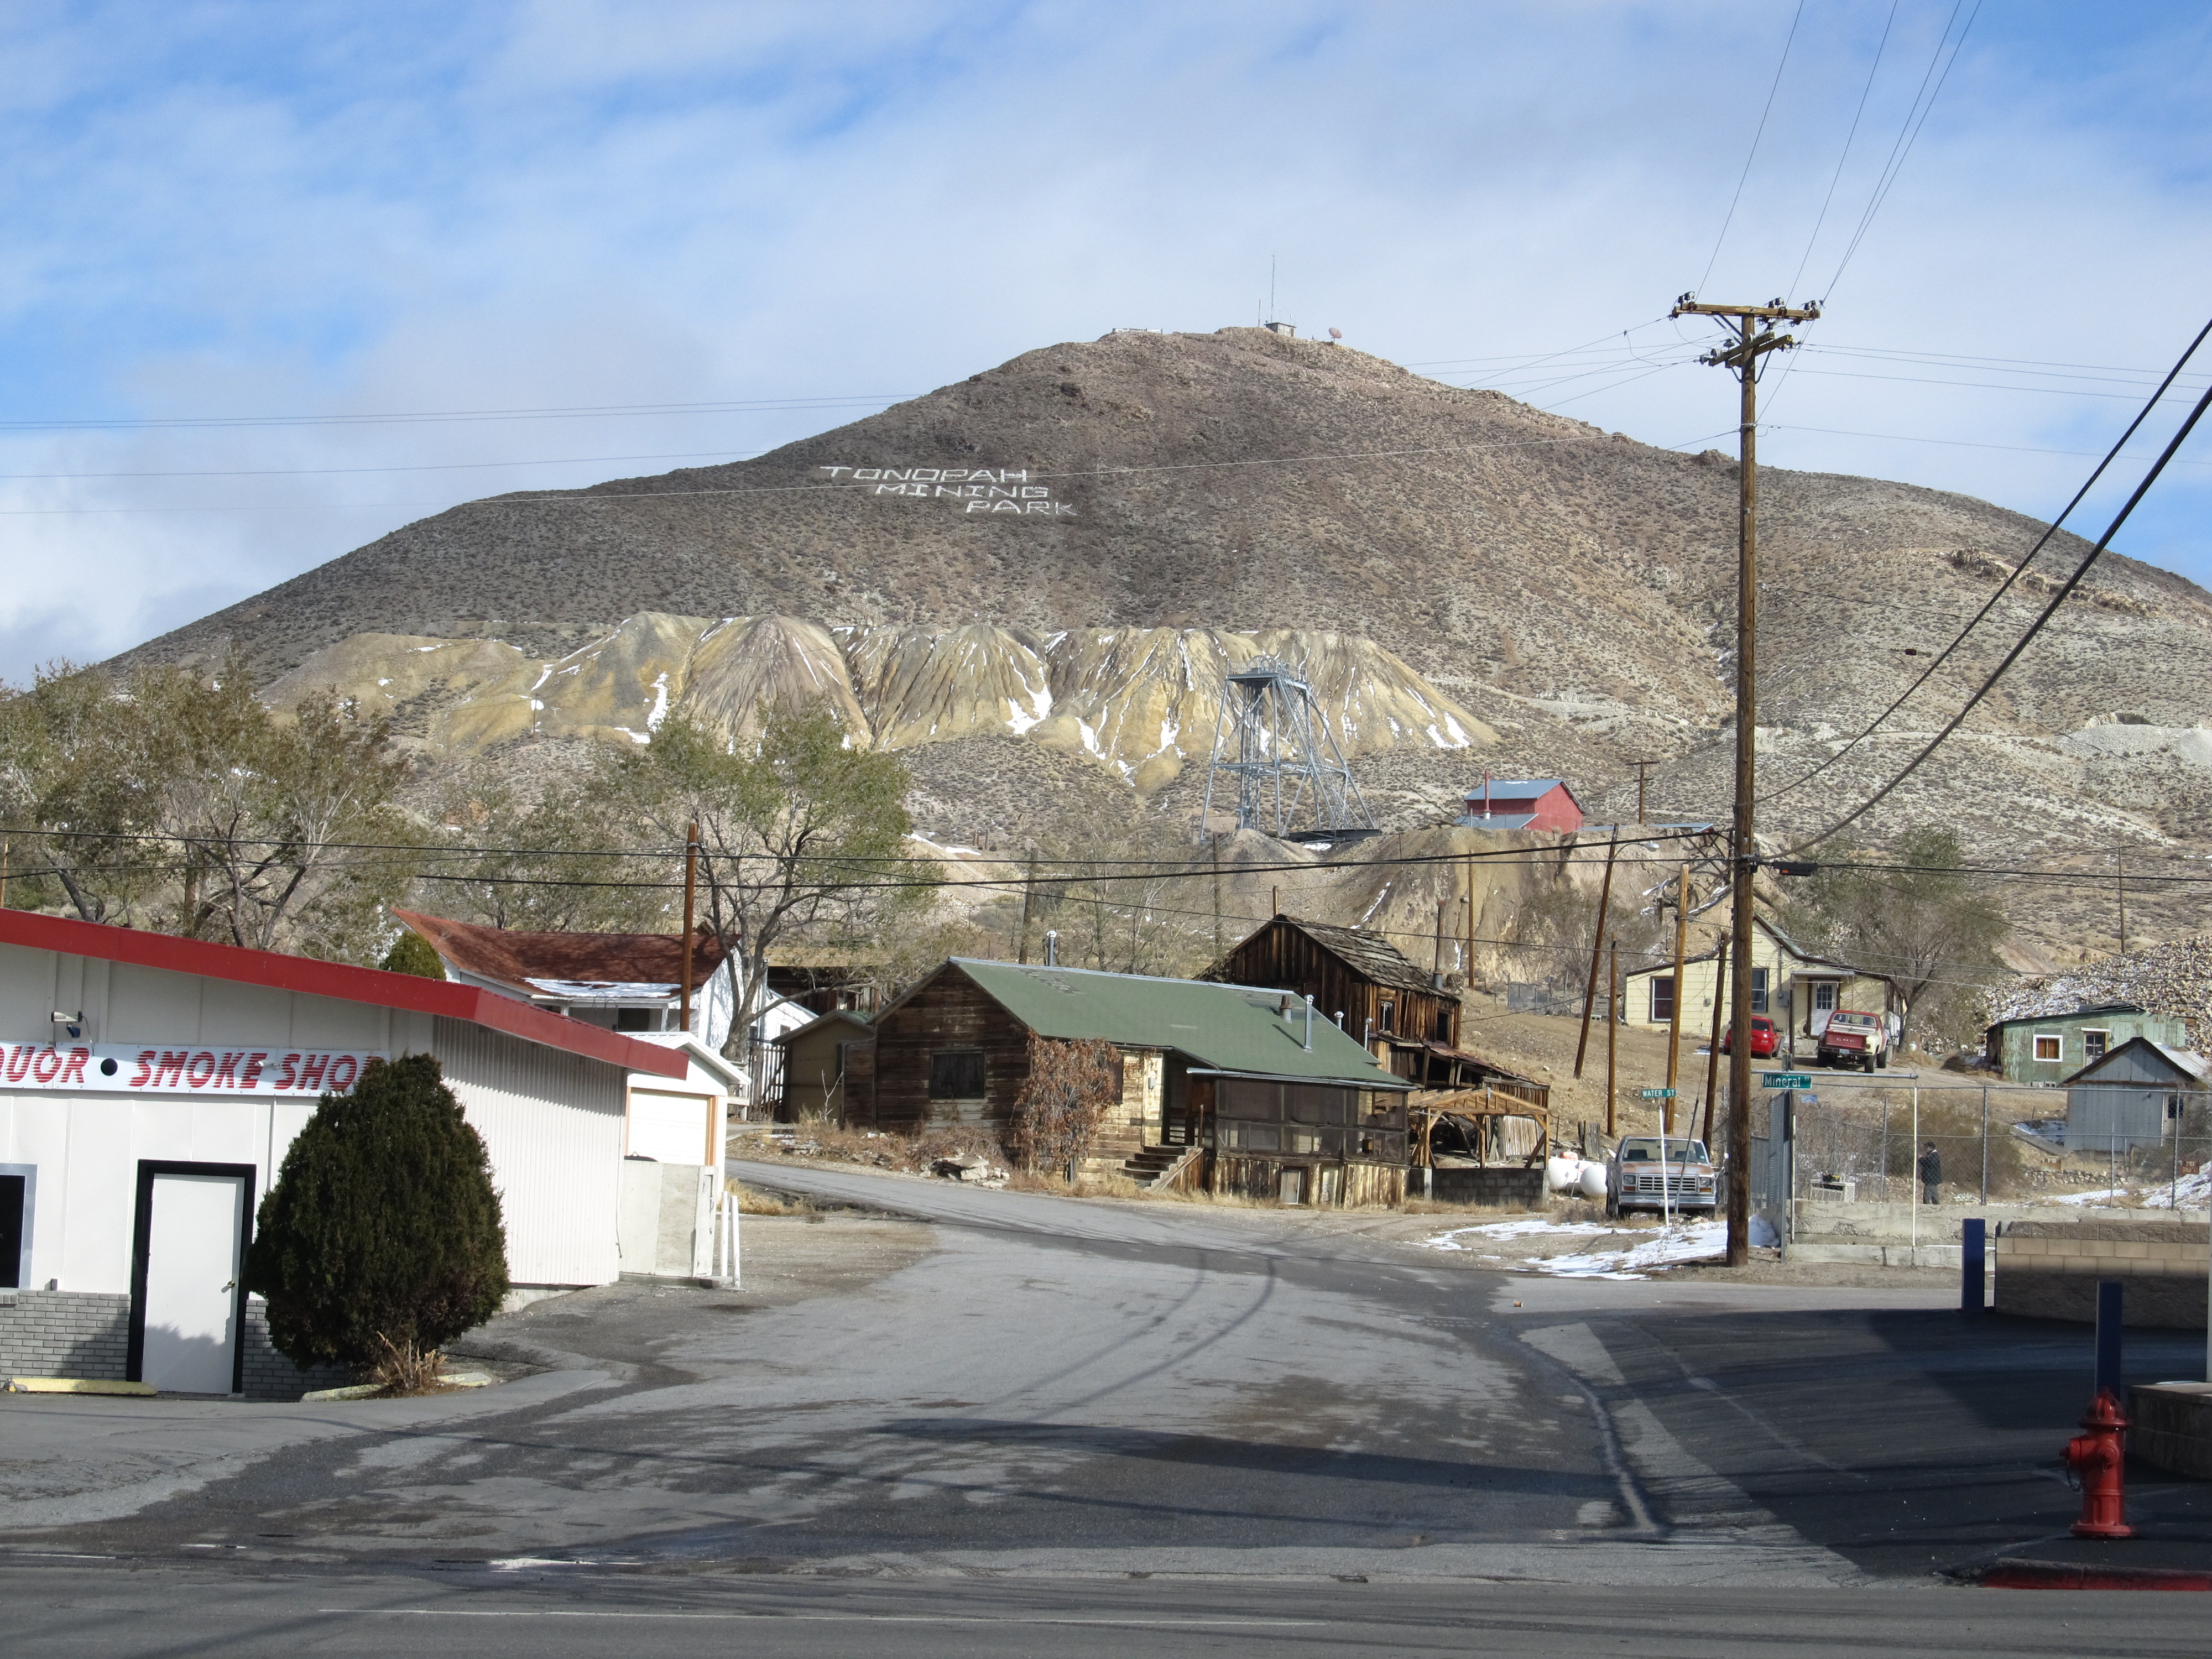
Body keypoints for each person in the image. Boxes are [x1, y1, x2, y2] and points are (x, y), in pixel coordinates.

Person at [1917, 1141, 1942, 1205]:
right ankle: (1936, 1205)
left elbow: (1929, 1163)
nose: (1926, 1149)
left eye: (1927, 1147)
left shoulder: (1934, 1156)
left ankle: (1926, 1205)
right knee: (1934, 1192)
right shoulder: (1930, 1155)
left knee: (1927, 1191)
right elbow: (1927, 1163)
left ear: (1930, 1148)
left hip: (1932, 1178)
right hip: (1931, 1178)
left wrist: (1922, 1159)